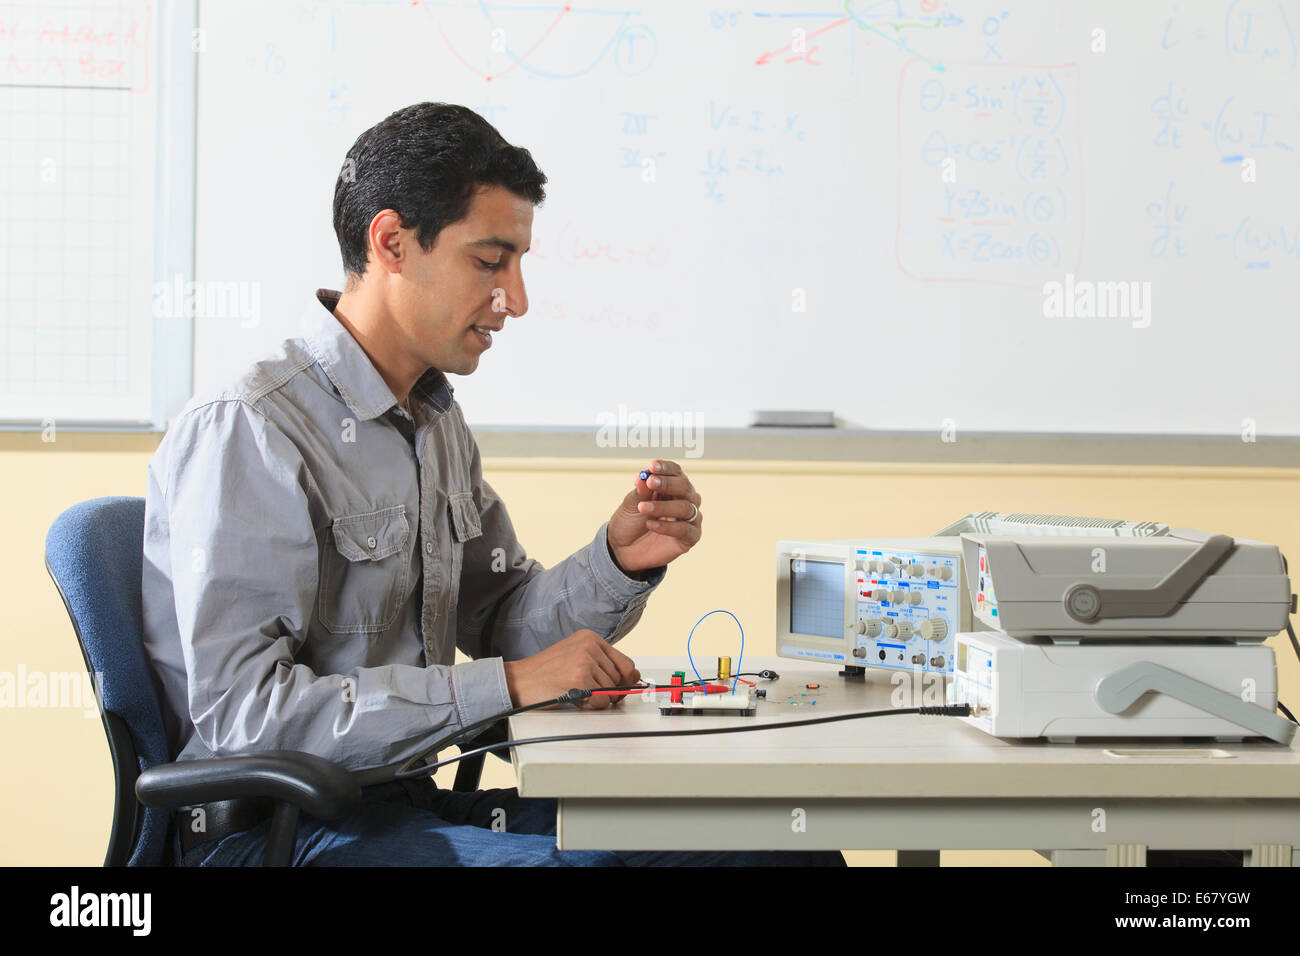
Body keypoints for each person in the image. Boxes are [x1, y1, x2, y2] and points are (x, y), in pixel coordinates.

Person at [141, 102, 844, 867]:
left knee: (767, 841)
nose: (517, 297)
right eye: (489, 261)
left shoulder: (434, 421)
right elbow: (249, 718)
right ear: (392, 243)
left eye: (519, 262)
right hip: (280, 834)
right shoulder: (250, 429)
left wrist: (617, 560)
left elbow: (506, 623)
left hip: (404, 803)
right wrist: (500, 687)